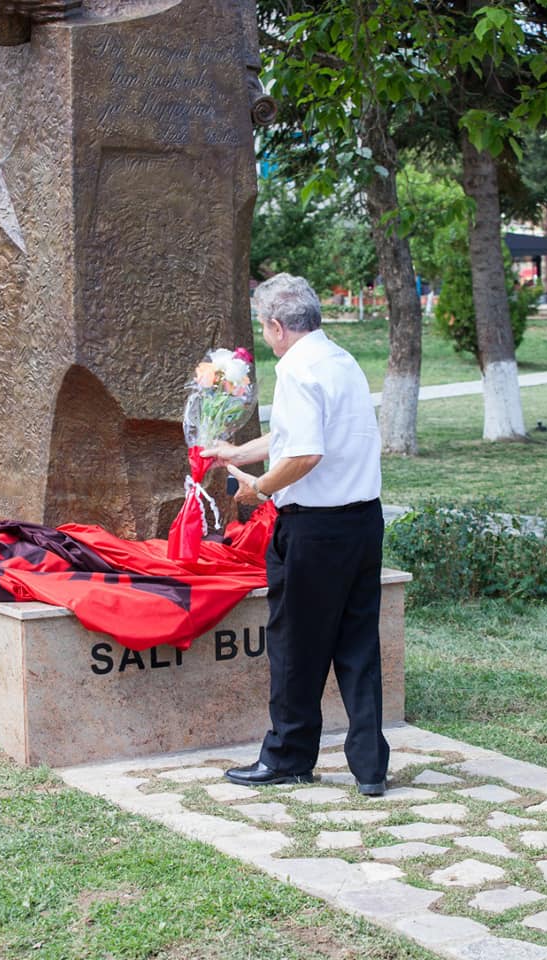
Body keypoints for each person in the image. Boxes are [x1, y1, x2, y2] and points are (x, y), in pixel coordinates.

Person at [202, 273, 389, 796]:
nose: (265, 336)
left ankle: (287, 756)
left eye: (265, 327)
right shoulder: (339, 360)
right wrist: (239, 454)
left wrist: (259, 486)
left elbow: (306, 453)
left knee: (294, 647)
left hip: (315, 530)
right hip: (362, 522)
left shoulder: (297, 371)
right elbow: (295, 433)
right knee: (356, 644)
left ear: (278, 326)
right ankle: (370, 767)